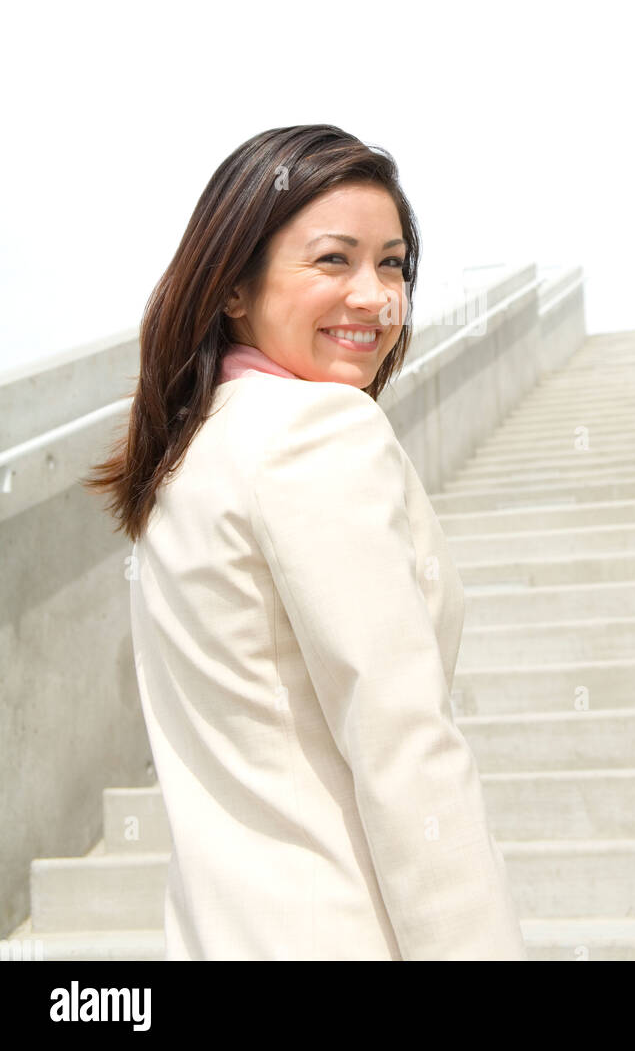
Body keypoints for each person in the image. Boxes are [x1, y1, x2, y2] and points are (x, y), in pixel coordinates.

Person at [83, 124, 527, 961]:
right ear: (234, 290)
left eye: (392, 263)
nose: (375, 295)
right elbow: (404, 745)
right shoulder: (318, 432)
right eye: (334, 260)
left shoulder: (188, 454)